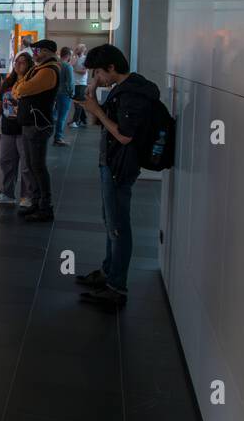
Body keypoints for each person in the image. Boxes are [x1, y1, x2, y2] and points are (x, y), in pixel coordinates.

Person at [73, 44, 159, 308]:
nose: (96, 76)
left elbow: (124, 134)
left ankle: (116, 287)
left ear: (111, 67)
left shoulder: (131, 94)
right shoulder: (124, 89)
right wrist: (94, 94)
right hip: (112, 163)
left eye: (98, 72)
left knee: (118, 226)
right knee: (111, 221)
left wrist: (96, 110)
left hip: (119, 166)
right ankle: (109, 272)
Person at [11, 39, 61, 221]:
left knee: (38, 166)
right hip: (31, 123)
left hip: (38, 124)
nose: (34, 53)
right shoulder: (39, 68)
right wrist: (19, 88)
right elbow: (18, 86)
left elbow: (23, 88)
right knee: (32, 165)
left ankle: (45, 207)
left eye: (37, 50)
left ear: (48, 51)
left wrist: (20, 89)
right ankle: (36, 201)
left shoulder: (48, 70)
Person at [0, 52, 34, 205]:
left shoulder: (32, 83)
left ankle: (27, 196)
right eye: (16, 62)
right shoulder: (8, 82)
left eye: (22, 62)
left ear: (29, 65)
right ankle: (7, 193)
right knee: (6, 162)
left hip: (25, 128)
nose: (18, 65)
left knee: (26, 165)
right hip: (8, 128)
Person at [53, 47, 76, 145]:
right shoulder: (68, 66)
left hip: (55, 93)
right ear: (68, 55)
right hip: (64, 94)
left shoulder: (55, 64)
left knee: (55, 114)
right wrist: (72, 93)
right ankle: (58, 137)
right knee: (62, 117)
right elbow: (70, 82)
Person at [70, 43, 90, 127]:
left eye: (78, 49)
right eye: (76, 49)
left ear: (82, 50)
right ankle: (84, 119)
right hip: (74, 83)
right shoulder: (75, 58)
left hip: (81, 83)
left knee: (78, 103)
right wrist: (74, 55)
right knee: (77, 102)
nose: (76, 50)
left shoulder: (86, 59)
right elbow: (71, 65)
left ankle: (75, 121)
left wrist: (74, 70)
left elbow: (84, 71)